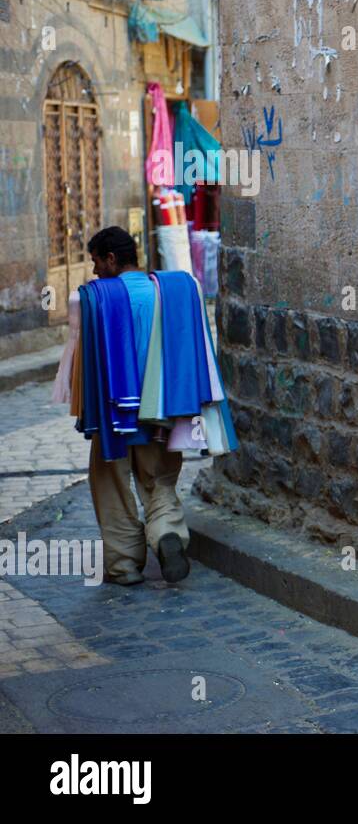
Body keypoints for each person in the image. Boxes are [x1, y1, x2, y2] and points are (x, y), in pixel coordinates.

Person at [84, 226, 191, 585]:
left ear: (111, 260)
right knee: (159, 480)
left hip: (113, 412)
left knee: (109, 481)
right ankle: (165, 534)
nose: (95, 271)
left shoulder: (98, 297)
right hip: (160, 411)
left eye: (97, 262)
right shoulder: (163, 292)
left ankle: (125, 564)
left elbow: (89, 363)